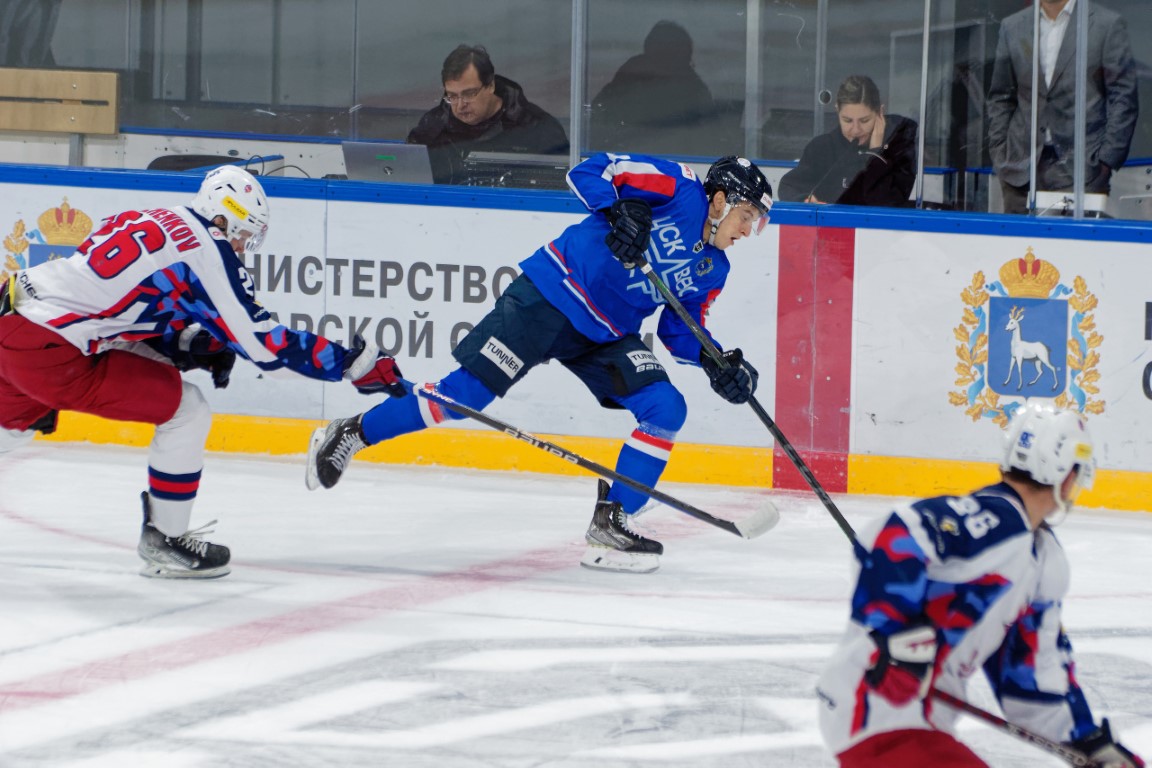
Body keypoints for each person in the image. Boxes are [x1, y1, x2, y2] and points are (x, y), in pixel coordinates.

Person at [305, 153, 773, 574]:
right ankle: (352, 432)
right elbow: (589, 170)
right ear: (718, 200)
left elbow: (679, 332)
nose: (747, 230)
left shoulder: (715, 267)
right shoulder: (677, 185)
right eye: (747, 215)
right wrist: (617, 209)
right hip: (550, 296)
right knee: (460, 397)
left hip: (605, 335)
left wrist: (717, 362)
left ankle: (612, 520)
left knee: (666, 408)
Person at [0, 166, 405, 579]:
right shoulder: (208, 250)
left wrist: (189, 344)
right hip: (49, 349)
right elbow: (266, 348)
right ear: (223, 218)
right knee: (186, 410)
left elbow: (113, 299)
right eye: (244, 235)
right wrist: (352, 364)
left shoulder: (150, 217)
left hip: (14, 314)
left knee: (8, 427)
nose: (243, 247)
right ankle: (167, 539)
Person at [816, 402, 1144, 768]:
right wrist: (893, 631)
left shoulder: (1043, 559)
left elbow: (1030, 679)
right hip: (875, 709)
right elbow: (897, 531)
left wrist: (1087, 742)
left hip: (916, 722)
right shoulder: (997, 522)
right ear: (1067, 475)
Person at [987, 0, 1138, 215]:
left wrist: (1106, 160)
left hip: (1083, 169)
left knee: (1074, 247)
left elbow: (1123, 97)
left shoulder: (1107, 24)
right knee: (1021, 247)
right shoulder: (1012, 26)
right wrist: (1000, 151)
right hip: (1019, 168)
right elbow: (1001, 96)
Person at [407, 44, 570, 185]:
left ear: (490, 85)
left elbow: (563, 185)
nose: (460, 105)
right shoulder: (432, 127)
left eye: (469, 93)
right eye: (452, 96)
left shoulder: (537, 127)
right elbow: (405, 175)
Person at [778, 75, 917, 207]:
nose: (855, 130)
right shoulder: (822, 147)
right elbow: (789, 186)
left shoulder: (899, 148)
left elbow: (885, 203)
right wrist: (803, 200)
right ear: (837, 111)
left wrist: (876, 152)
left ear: (880, 112)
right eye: (847, 120)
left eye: (864, 120)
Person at [590, 20, 715, 155]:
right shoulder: (632, 73)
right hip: (626, 156)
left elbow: (709, 133)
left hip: (678, 160)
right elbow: (601, 112)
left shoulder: (693, 86)